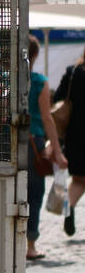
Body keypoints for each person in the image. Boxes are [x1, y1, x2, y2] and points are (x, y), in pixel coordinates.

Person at [27, 36, 67, 259]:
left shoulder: (6, 79)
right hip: (34, 143)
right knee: (34, 193)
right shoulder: (40, 82)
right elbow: (47, 118)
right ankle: (30, 246)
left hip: (5, 141)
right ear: (35, 55)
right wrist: (58, 152)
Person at [59, 50, 85, 237]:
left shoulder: (73, 71)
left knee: (78, 180)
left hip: (75, 134)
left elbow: (58, 99)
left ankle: (70, 206)